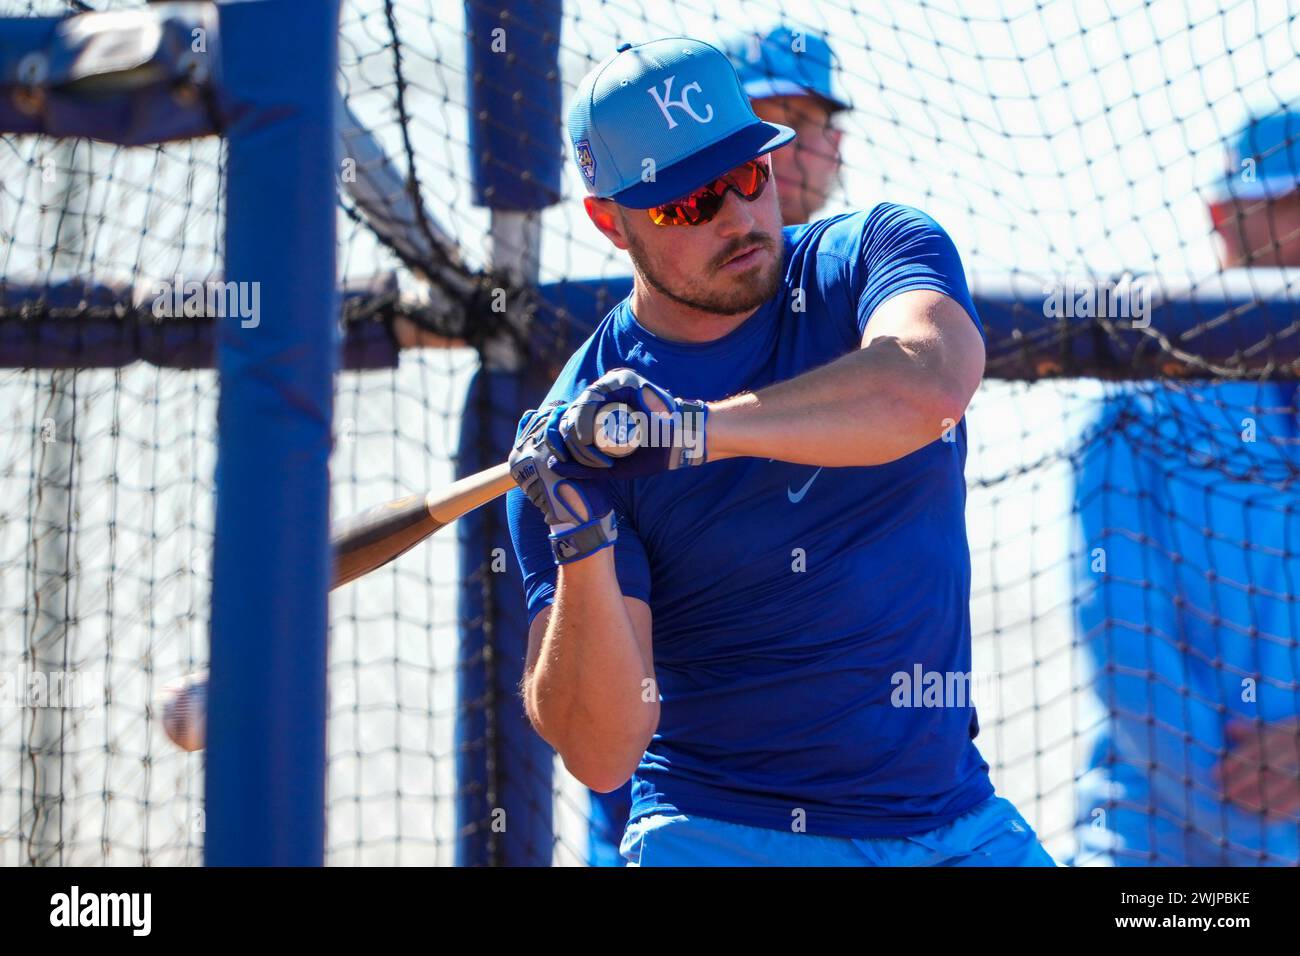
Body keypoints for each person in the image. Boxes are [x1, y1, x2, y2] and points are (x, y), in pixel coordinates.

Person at [507, 35, 1055, 866]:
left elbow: (929, 386)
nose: (736, 216)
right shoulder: (576, 433)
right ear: (609, 223)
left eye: (747, 175)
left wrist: (693, 432)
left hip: (955, 822)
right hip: (722, 835)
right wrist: (580, 541)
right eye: (686, 204)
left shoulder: (874, 252)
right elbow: (599, 750)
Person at [582, 23, 851, 868]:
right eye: (782, 113)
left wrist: (697, 432)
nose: (804, 145)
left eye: (811, 123)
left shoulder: (866, 284)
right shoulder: (620, 348)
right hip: (677, 812)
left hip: (878, 801)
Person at [1072, 107, 1300, 865]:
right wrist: (1259, 828)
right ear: (1222, 217)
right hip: (1151, 848)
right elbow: (1128, 649)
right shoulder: (1140, 409)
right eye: (1289, 204)